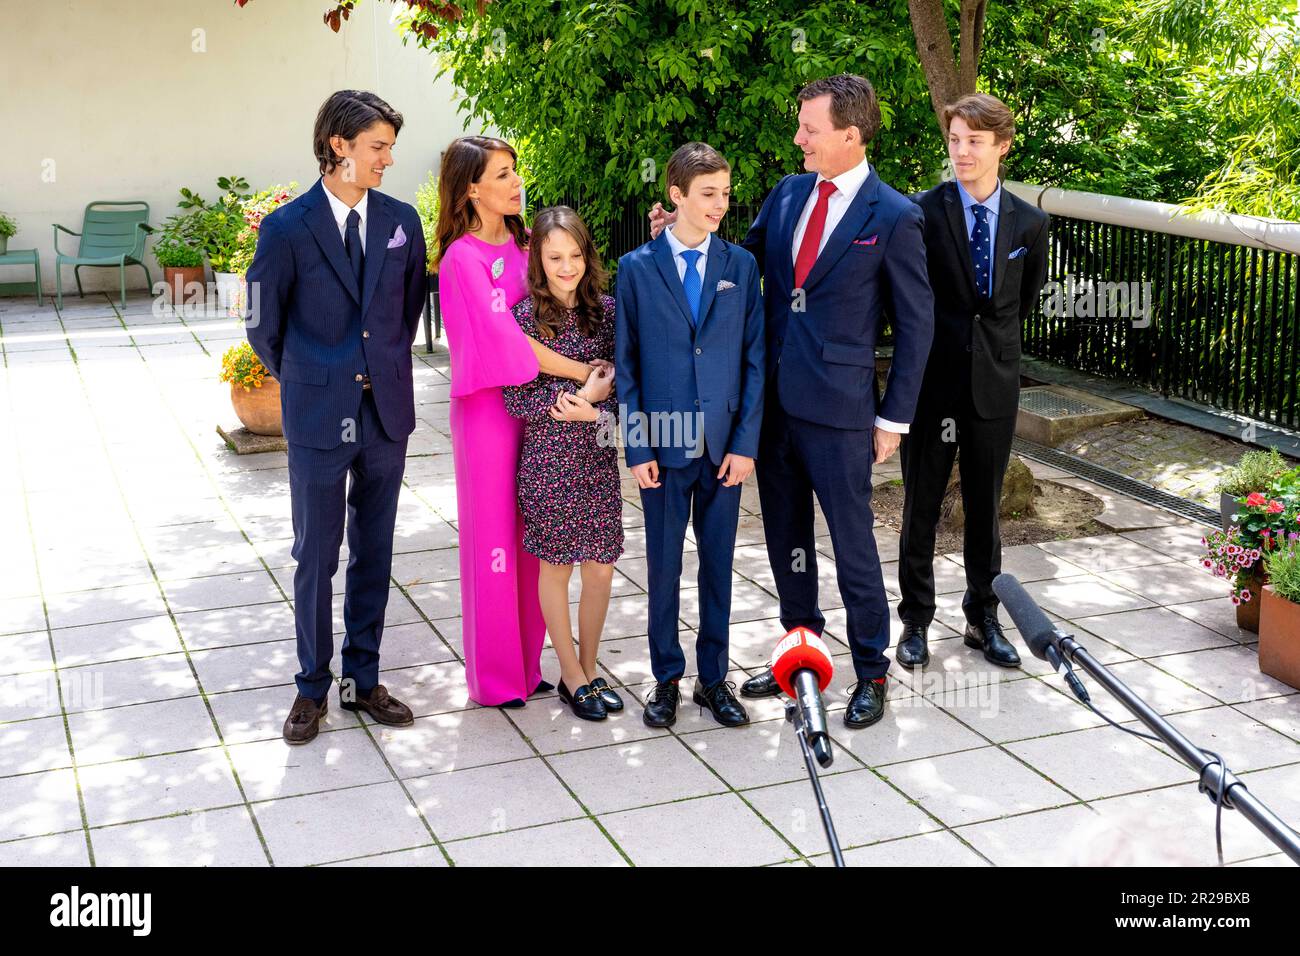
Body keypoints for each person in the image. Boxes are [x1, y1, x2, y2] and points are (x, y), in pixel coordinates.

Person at [651, 75, 935, 729]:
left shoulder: (893, 217)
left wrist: (893, 417)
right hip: (770, 409)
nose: (799, 138)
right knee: (787, 542)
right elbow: (741, 267)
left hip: (840, 413)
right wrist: (686, 233)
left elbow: (917, 326)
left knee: (853, 544)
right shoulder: (785, 195)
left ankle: (872, 671)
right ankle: (799, 656)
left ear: (849, 135)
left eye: (810, 128)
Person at [246, 90, 426, 744]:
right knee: (315, 555)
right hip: (319, 416)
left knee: (373, 552)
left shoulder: (403, 220)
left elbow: (405, 316)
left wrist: (380, 373)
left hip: (386, 417)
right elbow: (263, 327)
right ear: (339, 145)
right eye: (378, 146)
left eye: (389, 147)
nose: (388, 159)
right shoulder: (287, 228)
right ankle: (310, 688)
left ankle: (364, 679)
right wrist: (311, 376)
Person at [436, 136, 614, 708]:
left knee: (536, 546)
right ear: (471, 188)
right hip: (492, 411)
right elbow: (511, 341)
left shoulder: (528, 242)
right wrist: (587, 371)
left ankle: (535, 665)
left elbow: (569, 285)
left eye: (516, 171)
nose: (517, 183)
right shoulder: (462, 257)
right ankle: (495, 677)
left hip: (552, 420)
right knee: (493, 539)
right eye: (504, 174)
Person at [895, 93, 1049, 669]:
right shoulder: (921, 212)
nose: (961, 151)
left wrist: (993, 357)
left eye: (974, 142)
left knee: (985, 508)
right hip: (931, 385)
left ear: (1002, 147)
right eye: (955, 140)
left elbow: (1018, 301)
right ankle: (915, 621)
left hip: (993, 385)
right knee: (922, 505)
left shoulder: (1030, 224)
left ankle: (983, 617)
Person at [617, 142, 765, 729]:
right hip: (662, 444)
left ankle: (713, 678)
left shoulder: (740, 267)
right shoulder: (636, 268)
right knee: (662, 567)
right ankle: (665, 679)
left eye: (725, 194)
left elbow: (755, 360)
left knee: (719, 565)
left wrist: (746, 442)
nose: (720, 205)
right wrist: (637, 446)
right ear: (675, 195)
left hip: (725, 447)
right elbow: (627, 366)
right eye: (708, 194)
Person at [502, 206, 623, 721]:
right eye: (555, 257)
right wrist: (565, 404)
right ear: (539, 260)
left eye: (574, 255)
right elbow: (512, 396)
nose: (567, 266)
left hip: (596, 458)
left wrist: (596, 409)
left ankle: (591, 668)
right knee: (558, 567)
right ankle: (570, 675)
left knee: (600, 568)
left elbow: (626, 385)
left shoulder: (610, 312)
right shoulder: (524, 317)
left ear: (586, 255)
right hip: (548, 462)